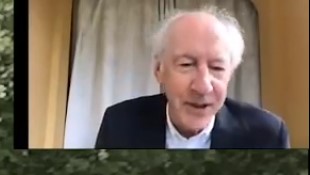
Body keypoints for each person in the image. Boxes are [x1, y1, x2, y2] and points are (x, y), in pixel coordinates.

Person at [93, 7, 289, 149]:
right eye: (187, 65)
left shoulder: (267, 135)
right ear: (159, 70)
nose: (203, 87)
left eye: (217, 67)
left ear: (230, 73)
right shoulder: (120, 123)